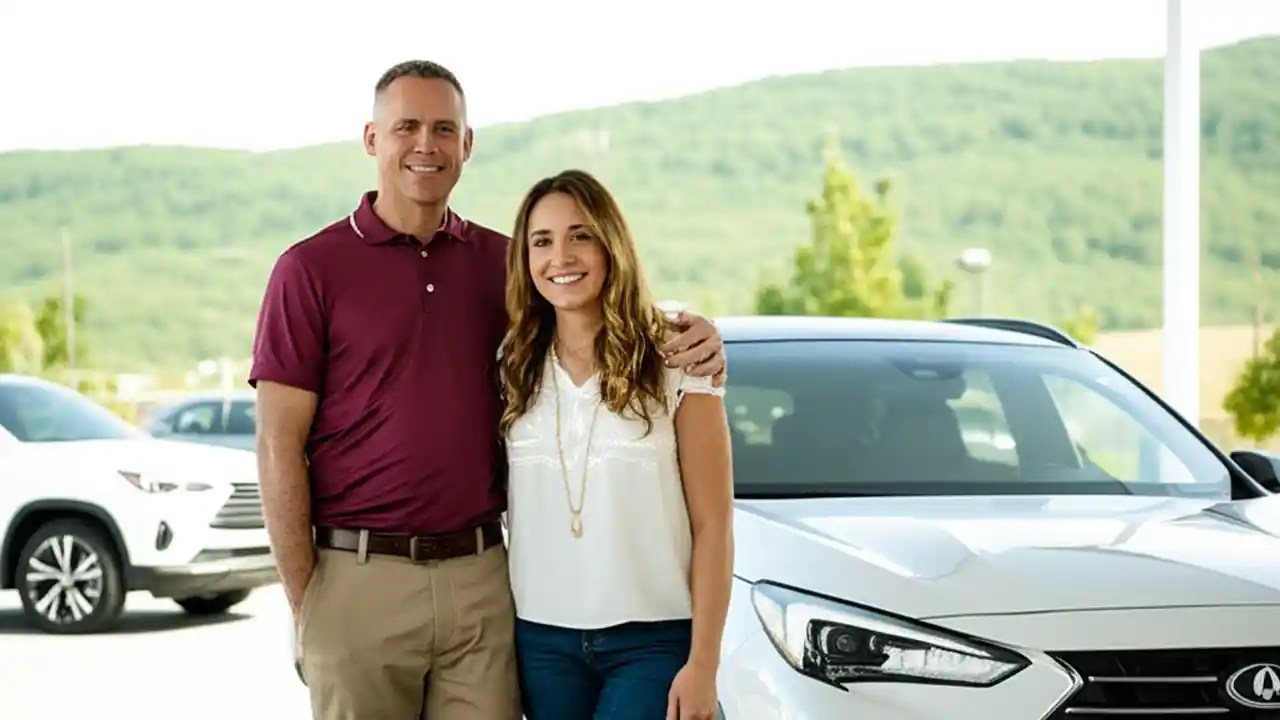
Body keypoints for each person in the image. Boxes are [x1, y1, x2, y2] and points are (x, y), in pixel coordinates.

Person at [248, 61, 727, 720]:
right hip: (359, 577)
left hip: (482, 581)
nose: (426, 144)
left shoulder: (504, 266)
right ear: (371, 138)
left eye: (444, 128)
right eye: (406, 127)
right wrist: (309, 602)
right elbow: (277, 443)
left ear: (466, 144)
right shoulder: (309, 269)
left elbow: (593, 308)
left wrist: (696, 332)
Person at [498, 168, 735, 720]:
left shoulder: (679, 359)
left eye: (580, 235)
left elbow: (714, 525)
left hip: (652, 641)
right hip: (541, 642)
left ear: (611, 244)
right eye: (542, 241)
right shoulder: (509, 366)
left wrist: (704, 664)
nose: (561, 256)